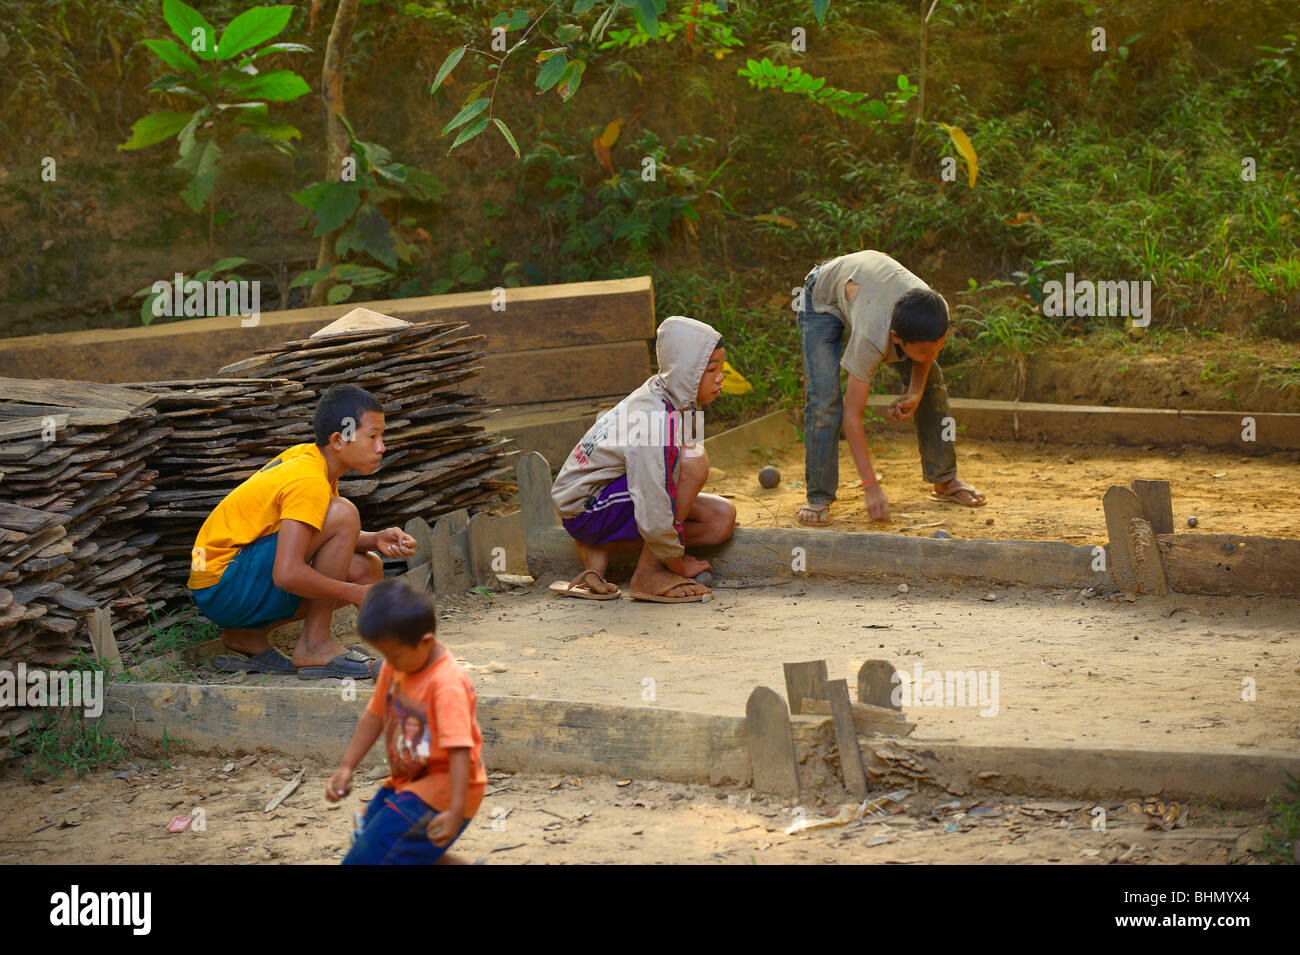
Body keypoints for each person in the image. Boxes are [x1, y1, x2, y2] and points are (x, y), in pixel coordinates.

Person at [186, 384, 416, 679]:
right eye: (372, 436)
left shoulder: (313, 461)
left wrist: (375, 539)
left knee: (366, 567)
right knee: (344, 514)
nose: (381, 447)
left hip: (228, 583)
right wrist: (357, 594)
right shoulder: (308, 480)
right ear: (338, 439)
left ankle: (246, 637)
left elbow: (313, 532)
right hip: (223, 583)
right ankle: (314, 646)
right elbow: (287, 574)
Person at [550, 315, 736, 603]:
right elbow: (653, 500)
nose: (721, 377)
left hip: (616, 496)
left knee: (720, 521)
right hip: (586, 508)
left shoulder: (676, 398)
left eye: (721, 368)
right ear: (686, 371)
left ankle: (600, 551)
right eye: (711, 370)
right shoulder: (656, 419)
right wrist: (675, 562)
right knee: (694, 463)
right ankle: (648, 574)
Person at [796, 250, 986, 525]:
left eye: (940, 345)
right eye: (922, 349)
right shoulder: (872, 337)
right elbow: (852, 417)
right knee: (825, 400)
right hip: (823, 296)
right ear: (896, 339)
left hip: (865, 289)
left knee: (932, 383)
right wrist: (871, 486)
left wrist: (915, 392)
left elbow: (927, 355)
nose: (932, 353)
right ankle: (819, 497)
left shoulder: (934, 308)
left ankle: (944, 480)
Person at [327, 577, 486, 866]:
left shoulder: (446, 684)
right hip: (407, 782)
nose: (386, 662)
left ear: (424, 642)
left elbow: (461, 749)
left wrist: (455, 808)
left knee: (369, 857)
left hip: (443, 793)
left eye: (393, 654)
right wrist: (347, 766)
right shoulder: (396, 665)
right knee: (376, 840)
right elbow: (375, 716)